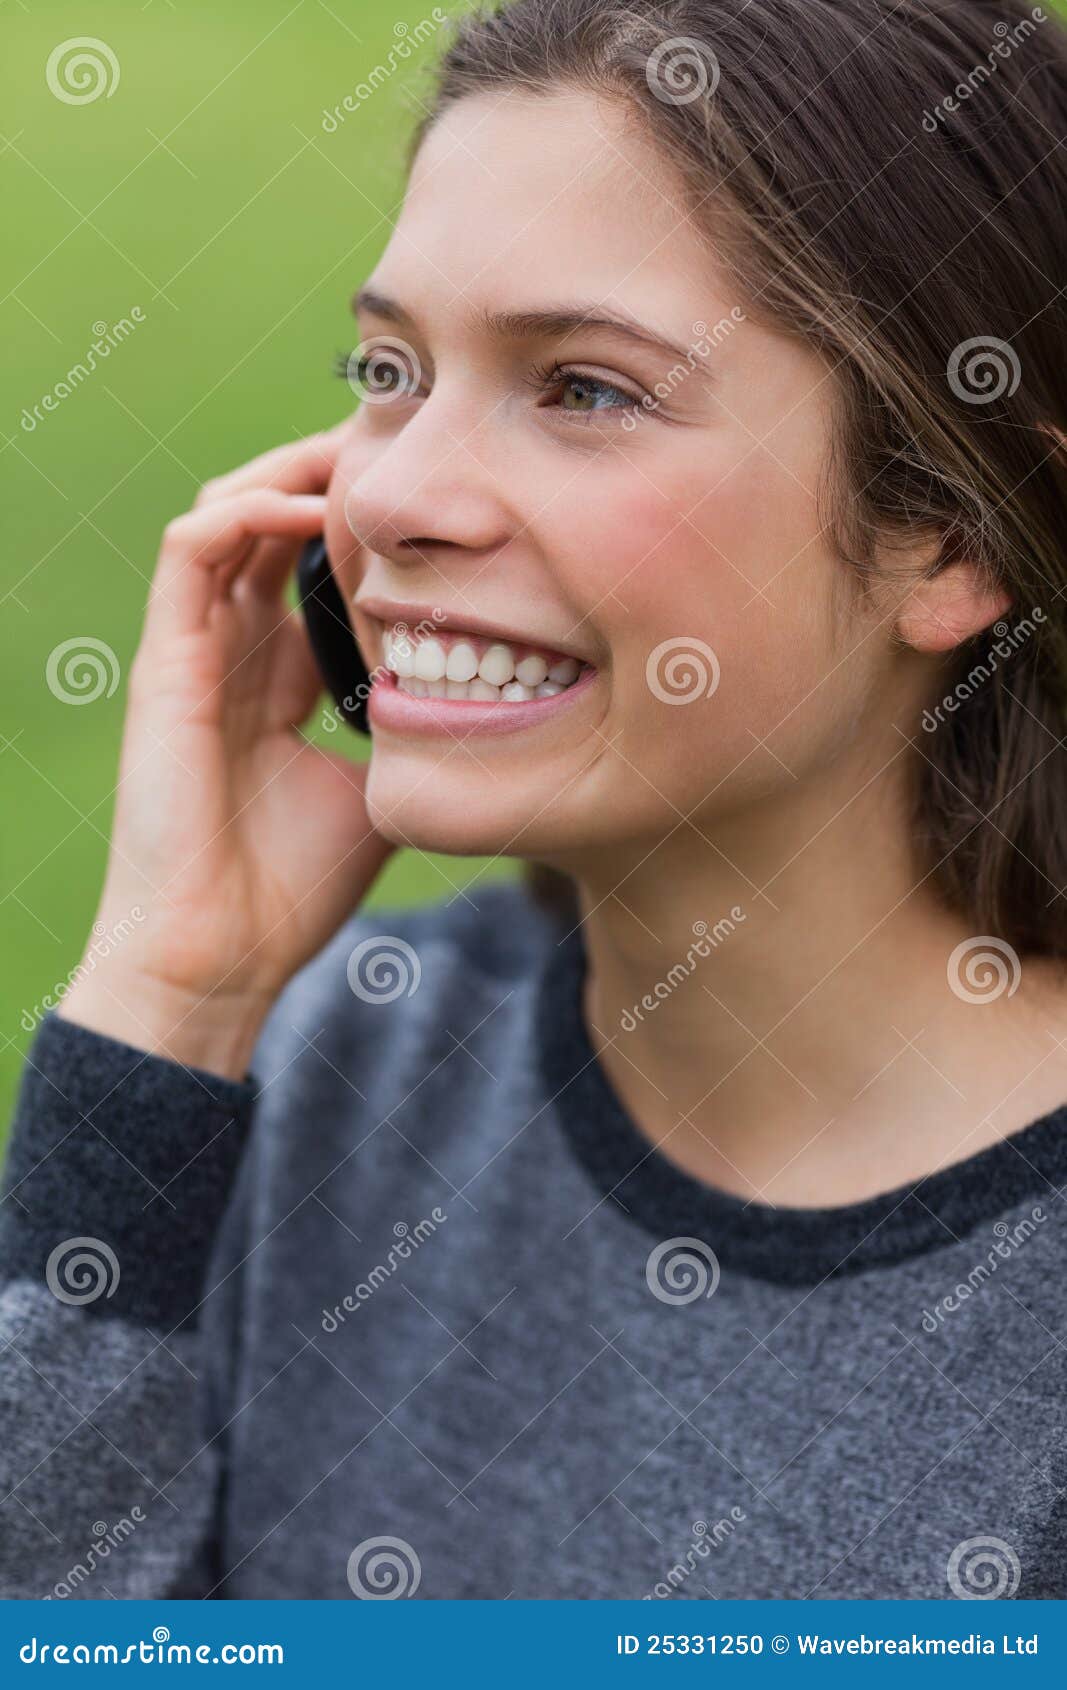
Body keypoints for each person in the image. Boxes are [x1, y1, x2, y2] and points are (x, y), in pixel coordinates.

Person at [3, 0, 1067, 1600]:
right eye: (389, 369)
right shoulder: (327, 1073)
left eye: (583, 387)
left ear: (960, 538)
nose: (390, 492)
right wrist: (171, 1003)